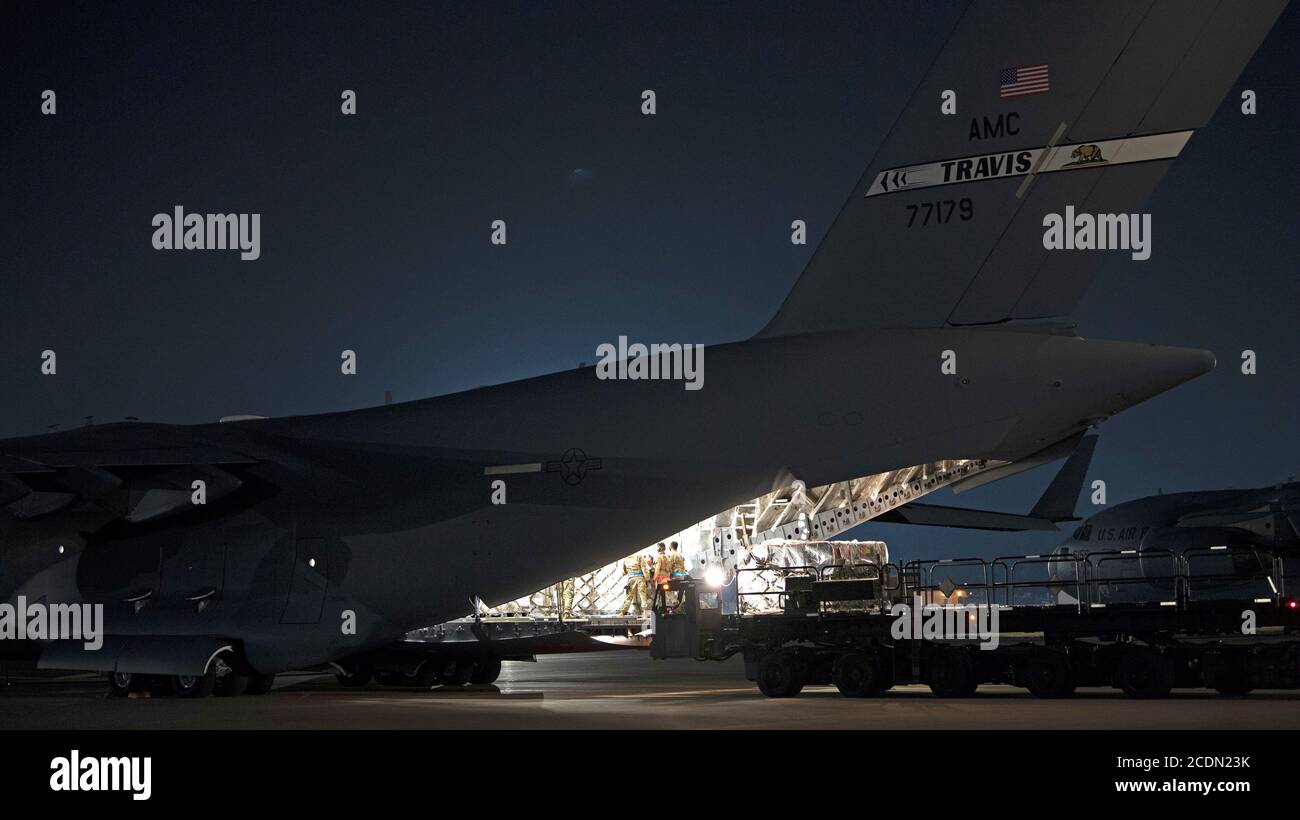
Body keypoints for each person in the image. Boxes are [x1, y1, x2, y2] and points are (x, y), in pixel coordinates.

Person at [652, 543, 670, 612]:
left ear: (658, 548)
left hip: (661, 579)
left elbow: (657, 569)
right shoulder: (667, 557)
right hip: (667, 578)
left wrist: (654, 579)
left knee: (660, 596)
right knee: (668, 596)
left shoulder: (658, 557)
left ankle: (660, 611)